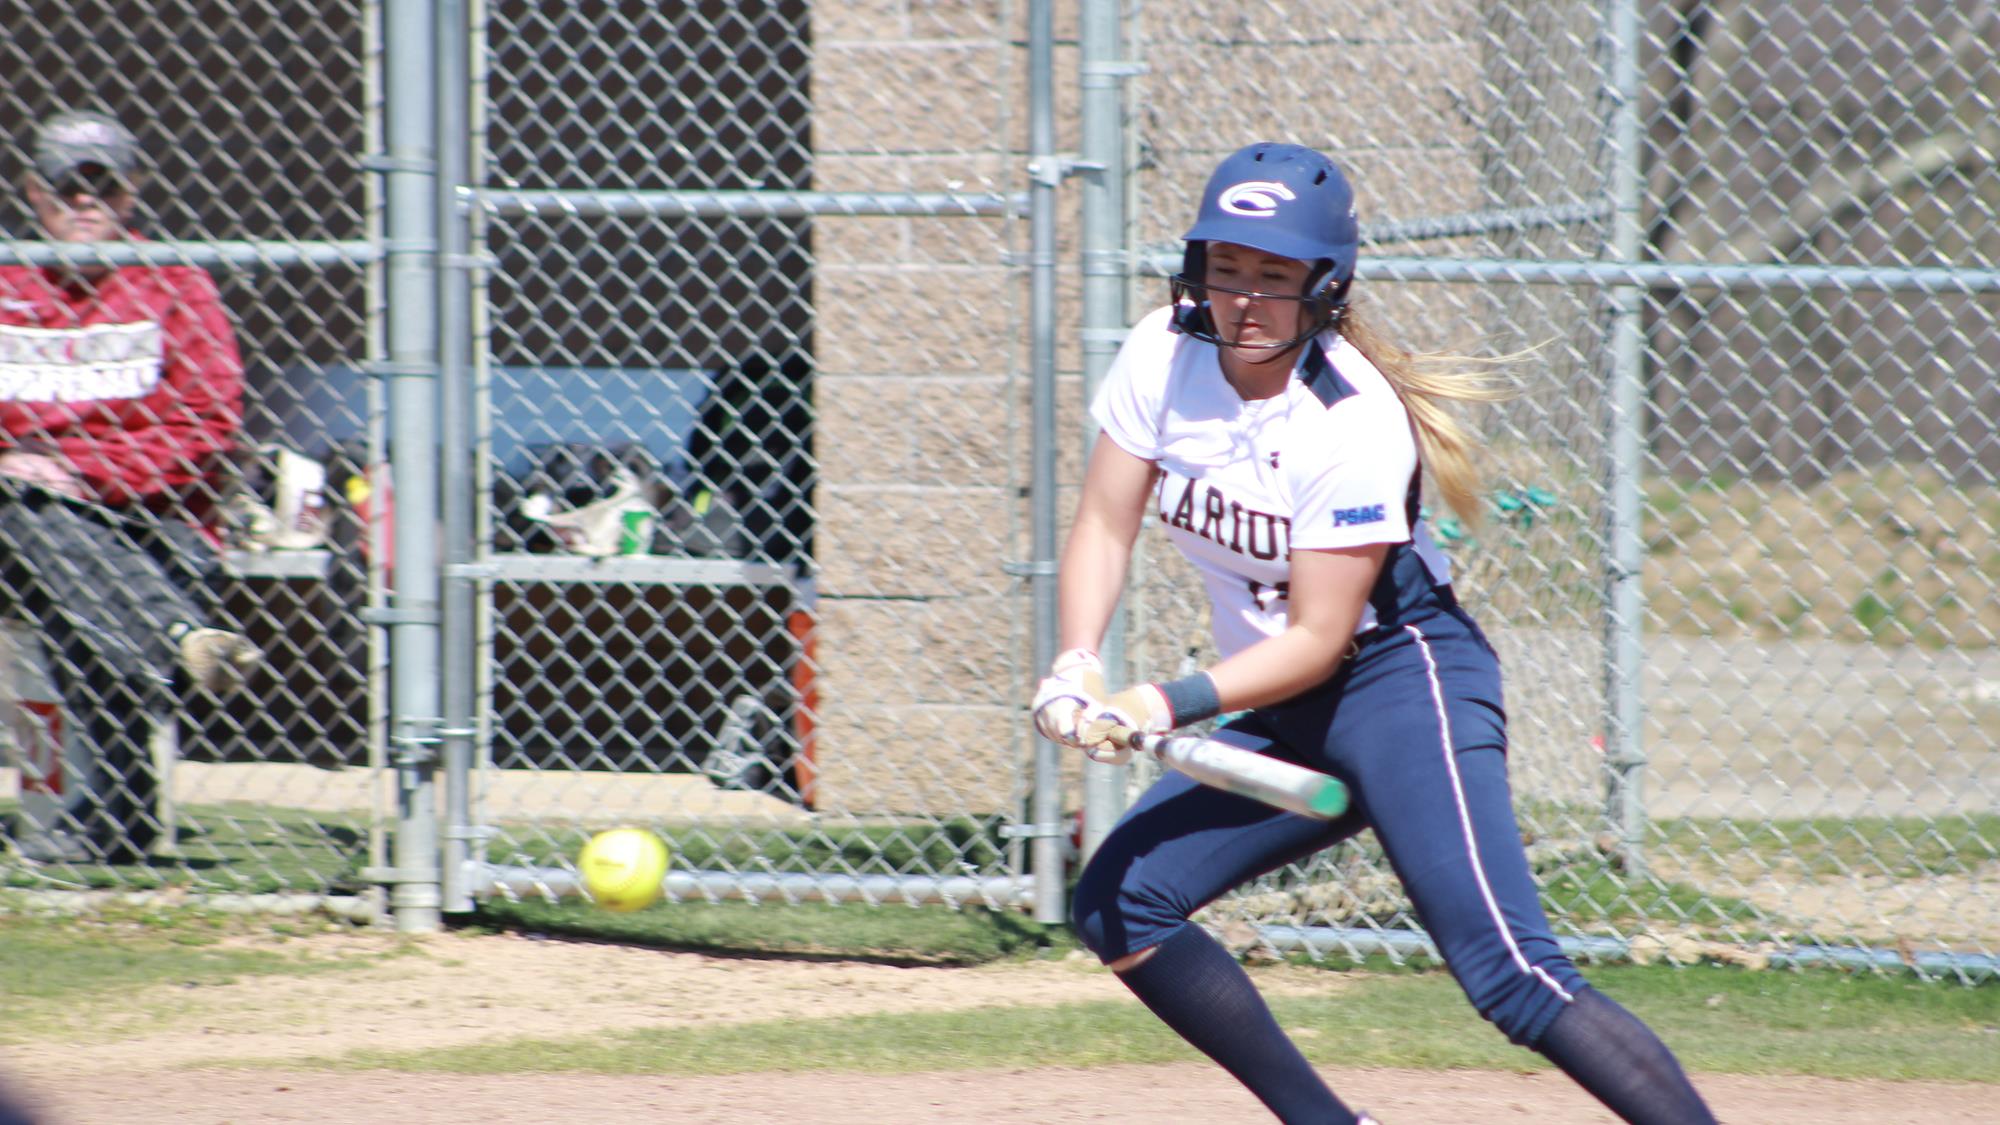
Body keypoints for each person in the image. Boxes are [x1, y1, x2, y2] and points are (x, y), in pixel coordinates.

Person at [1033, 142, 1717, 1125]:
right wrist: (1075, 662)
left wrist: (1159, 702)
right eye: (1225, 269)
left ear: (1326, 284)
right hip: (1273, 699)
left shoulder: (1348, 422)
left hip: (1399, 684)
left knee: (1510, 976)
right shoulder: (1160, 351)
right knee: (1118, 904)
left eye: (1273, 276)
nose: (1244, 301)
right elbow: (1103, 522)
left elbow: (1318, 638)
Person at [0, 109, 257, 864]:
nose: (86, 201)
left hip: (147, 523)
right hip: (15, 514)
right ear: (32, 192)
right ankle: (176, 639)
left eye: (103, 185)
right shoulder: (6, 280)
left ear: (132, 192)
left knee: (52, 554)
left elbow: (209, 422)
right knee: (20, 502)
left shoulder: (176, 284)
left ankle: (82, 834)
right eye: (67, 185)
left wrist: (82, 472)